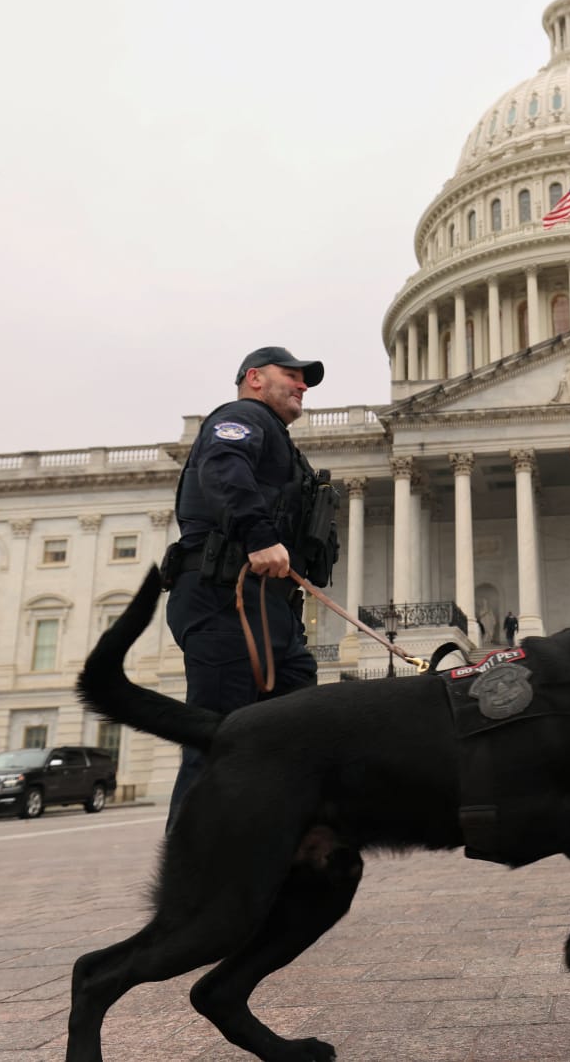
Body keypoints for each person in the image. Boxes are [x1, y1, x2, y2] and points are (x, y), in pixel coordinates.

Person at [160, 346, 338, 830]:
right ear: (254, 378)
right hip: (226, 599)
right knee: (222, 738)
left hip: (271, 609)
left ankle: (275, 851)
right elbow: (223, 466)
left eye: (305, 379)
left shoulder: (280, 443)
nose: (303, 385)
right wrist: (259, 536)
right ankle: (193, 865)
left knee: (295, 733)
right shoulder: (241, 418)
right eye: (292, 375)